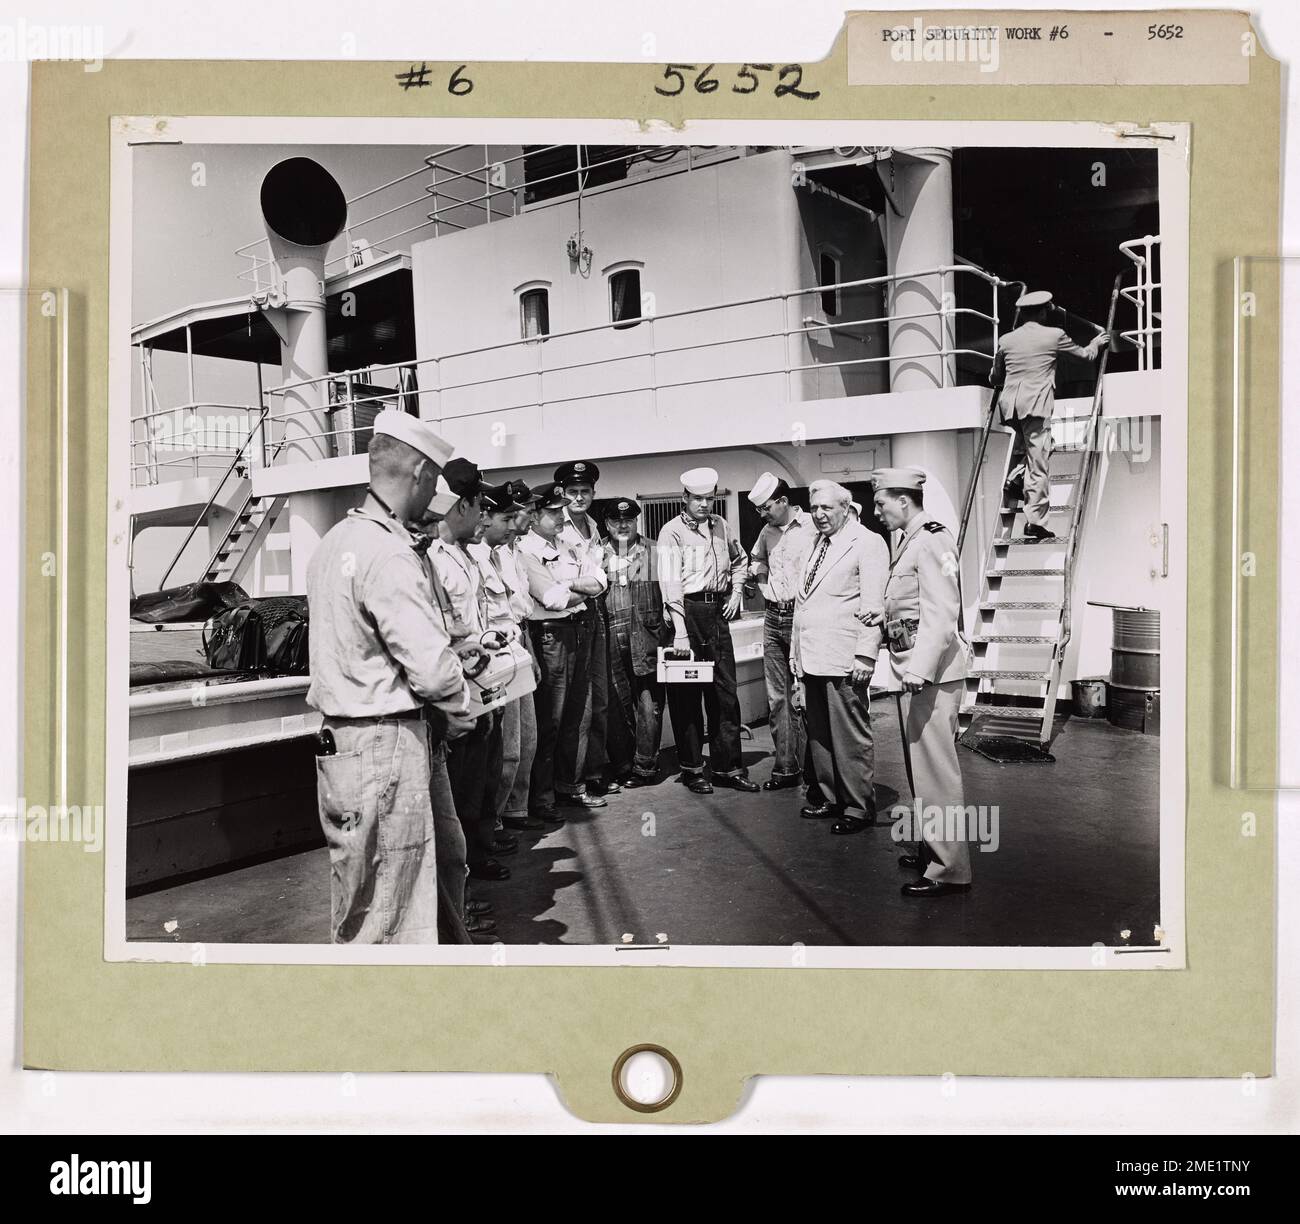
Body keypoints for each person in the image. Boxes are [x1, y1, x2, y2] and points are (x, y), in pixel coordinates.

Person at [305, 409, 472, 944]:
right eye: (433, 483)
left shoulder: (333, 543)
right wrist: (461, 705)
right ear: (421, 474)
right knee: (389, 905)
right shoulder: (389, 552)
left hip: (345, 743)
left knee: (371, 890)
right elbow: (431, 667)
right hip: (384, 741)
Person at [867, 467, 973, 897]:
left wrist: (919, 670)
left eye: (881, 503)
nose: (877, 512)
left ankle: (948, 869)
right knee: (920, 770)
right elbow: (911, 604)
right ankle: (932, 848)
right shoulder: (910, 540)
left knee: (936, 772)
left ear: (904, 500)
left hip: (930, 673)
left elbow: (943, 611)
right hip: (916, 669)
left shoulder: (931, 539)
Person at [427, 456, 513, 885]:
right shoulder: (432, 558)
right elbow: (437, 632)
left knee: (483, 776)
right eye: (480, 507)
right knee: (459, 788)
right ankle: (463, 884)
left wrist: (486, 640)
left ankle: (478, 858)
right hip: (456, 687)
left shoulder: (467, 554)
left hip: (484, 679)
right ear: (461, 506)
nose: (483, 516)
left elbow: (474, 619)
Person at [789, 479, 889, 834]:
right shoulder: (816, 544)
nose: (819, 514)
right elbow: (802, 606)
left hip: (845, 657)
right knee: (819, 735)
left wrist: (866, 654)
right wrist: (795, 664)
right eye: (815, 508)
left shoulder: (868, 543)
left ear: (846, 508)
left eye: (827, 508)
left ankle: (859, 807)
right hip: (812, 658)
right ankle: (831, 798)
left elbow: (874, 605)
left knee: (849, 735)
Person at [656, 466, 759, 795]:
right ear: (685, 498)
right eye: (697, 499)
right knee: (687, 695)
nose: (704, 504)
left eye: (709, 498)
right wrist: (681, 631)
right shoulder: (671, 532)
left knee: (725, 694)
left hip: (717, 614)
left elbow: (740, 559)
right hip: (686, 614)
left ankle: (728, 767)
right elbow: (671, 584)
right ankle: (692, 769)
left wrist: (738, 592)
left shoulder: (721, 525)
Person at [517, 482, 609, 819]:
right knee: (550, 719)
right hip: (551, 636)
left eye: (560, 511)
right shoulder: (526, 551)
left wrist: (570, 585)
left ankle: (570, 786)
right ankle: (541, 798)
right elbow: (552, 600)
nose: (560, 516)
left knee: (576, 715)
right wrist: (582, 588)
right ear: (536, 515)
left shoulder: (568, 544)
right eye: (553, 512)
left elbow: (601, 579)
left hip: (579, 630)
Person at [990, 289, 1110, 541]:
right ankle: (1035, 522)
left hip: (1011, 406)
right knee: (1039, 464)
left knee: (1039, 450)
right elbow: (1086, 356)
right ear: (1044, 311)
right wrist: (1096, 343)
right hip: (1036, 405)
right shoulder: (1054, 335)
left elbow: (995, 377)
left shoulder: (1006, 339)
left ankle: (1015, 480)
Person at [745, 472, 818, 791]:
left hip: (805, 618)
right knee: (778, 697)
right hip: (773, 619)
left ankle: (816, 771)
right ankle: (786, 766)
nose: (762, 514)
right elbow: (756, 558)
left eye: (766, 508)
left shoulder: (814, 527)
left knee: (808, 694)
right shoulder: (766, 532)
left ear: (784, 501)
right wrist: (762, 581)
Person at [554, 460, 618, 799]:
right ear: (563, 493)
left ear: (593, 494)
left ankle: (593, 772)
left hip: (593, 615)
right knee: (574, 706)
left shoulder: (593, 526)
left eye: (585, 491)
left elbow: (599, 582)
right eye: (573, 491)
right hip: (567, 619)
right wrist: (588, 584)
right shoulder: (555, 526)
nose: (579, 497)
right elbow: (559, 586)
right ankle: (570, 781)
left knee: (599, 698)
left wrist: (586, 585)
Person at [601, 497, 671, 786]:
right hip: (609, 640)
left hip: (648, 636)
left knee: (649, 705)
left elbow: (671, 594)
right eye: (616, 521)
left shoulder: (656, 551)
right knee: (616, 706)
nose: (623, 525)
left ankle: (646, 766)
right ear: (607, 523)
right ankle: (622, 766)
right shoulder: (596, 554)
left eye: (628, 520)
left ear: (637, 521)